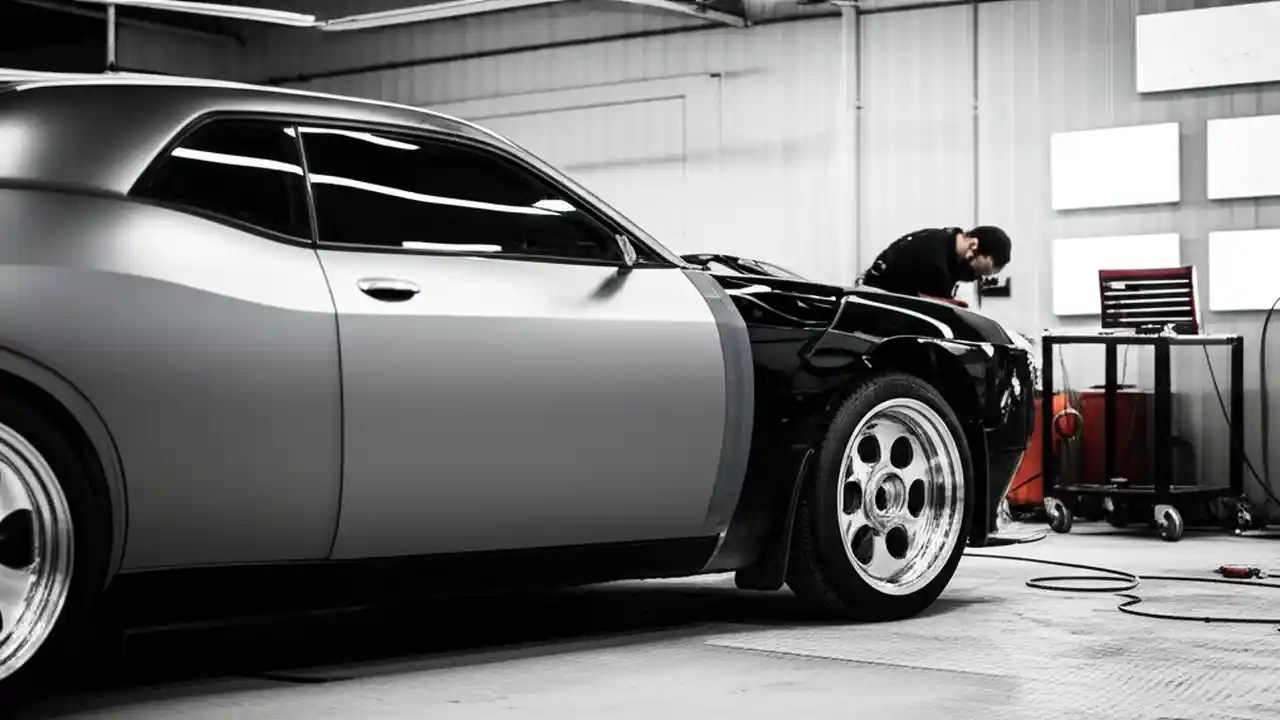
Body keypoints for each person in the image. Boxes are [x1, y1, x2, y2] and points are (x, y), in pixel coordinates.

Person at [859, 225, 1011, 308]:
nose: (972, 278)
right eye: (975, 271)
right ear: (973, 246)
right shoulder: (936, 266)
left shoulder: (942, 240)